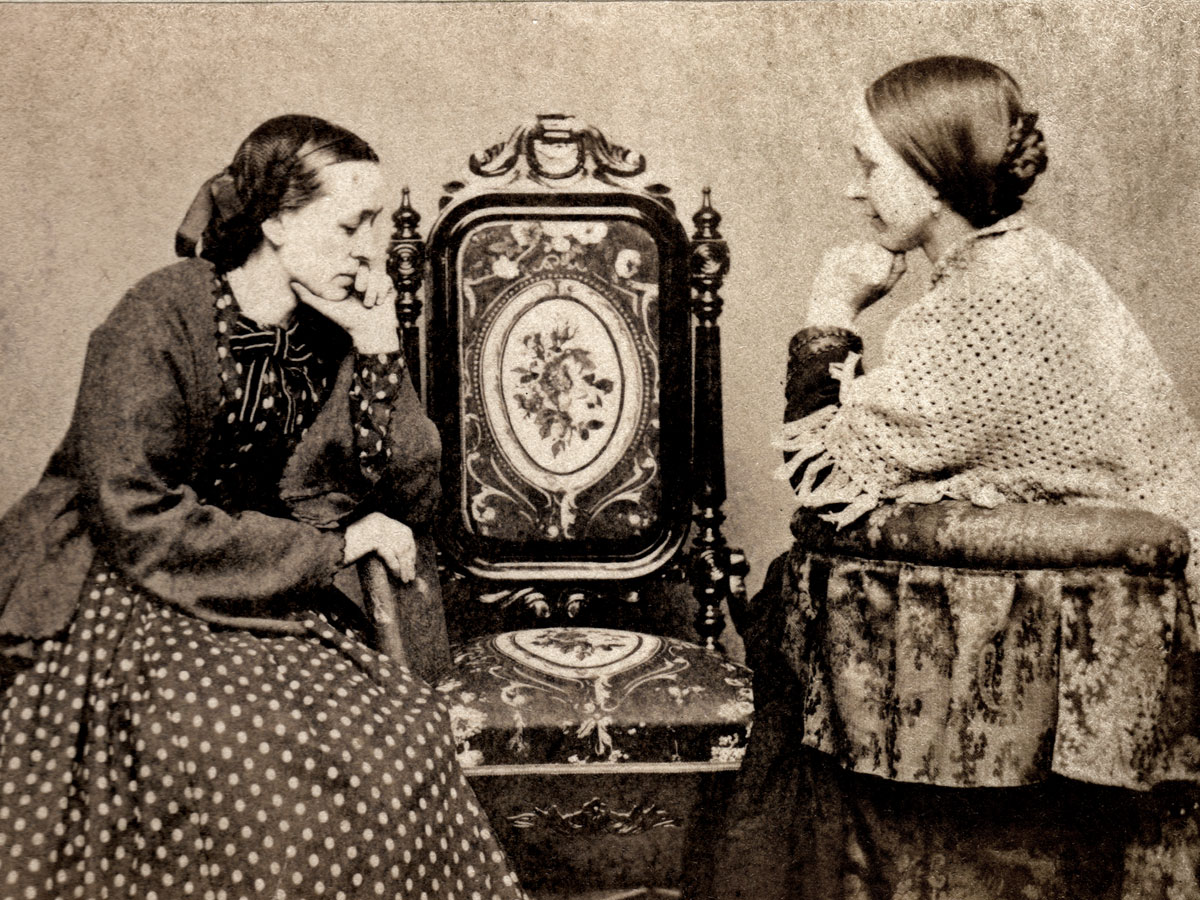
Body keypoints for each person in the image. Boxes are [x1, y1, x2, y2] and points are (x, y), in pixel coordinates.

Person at [0, 114, 527, 900]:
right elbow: (133, 509)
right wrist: (330, 552)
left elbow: (410, 495)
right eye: (352, 222)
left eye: (375, 223)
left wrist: (379, 345)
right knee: (242, 758)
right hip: (125, 584)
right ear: (277, 222)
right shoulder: (161, 312)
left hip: (260, 585)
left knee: (401, 739)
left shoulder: (329, 332)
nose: (367, 247)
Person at [712, 56, 1200, 899]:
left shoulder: (989, 301)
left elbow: (823, 476)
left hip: (1098, 634)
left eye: (868, 165)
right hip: (1109, 628)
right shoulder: (1036, 267)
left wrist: (828, 314)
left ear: (932, 177)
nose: (852, 191)